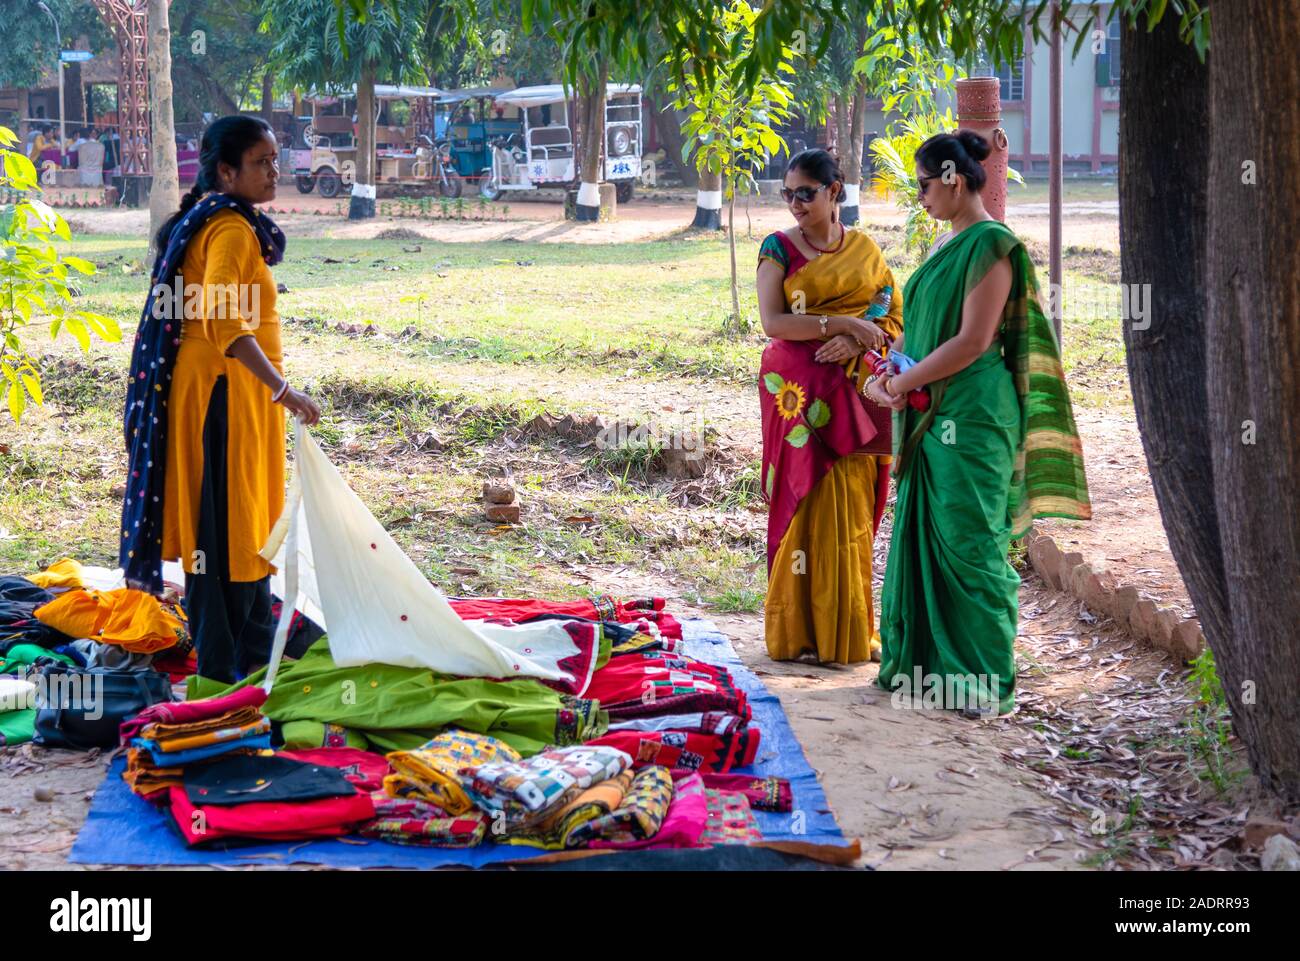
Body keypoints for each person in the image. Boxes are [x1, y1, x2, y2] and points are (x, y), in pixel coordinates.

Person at [866, 131, 1091, 716]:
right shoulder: (947, 244)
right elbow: (924, 337)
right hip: (927, 409)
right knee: (928, 534)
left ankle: (981, 682)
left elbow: (971, 341)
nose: (919, 196)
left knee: (971, 543)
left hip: (973, 414)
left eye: (922, 183)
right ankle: (926, 673)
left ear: (953, 178)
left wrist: (902, 384)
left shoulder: (992, 244)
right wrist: (891, 375)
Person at [121, 115, 321, 685]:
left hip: (232, 394)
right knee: (225, 529)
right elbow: (225, 324)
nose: (274, 172)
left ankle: (251, 646)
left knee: (240, 521)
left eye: (275, 160)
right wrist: (286, 392)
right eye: (261, 163)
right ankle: (223, 665)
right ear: (226, 171)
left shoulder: (221, 220)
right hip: (221, 397)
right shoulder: (230, 228)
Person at [756, 149, 904, 665]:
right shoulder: (778, 249)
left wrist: (862, 344)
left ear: (834, 191)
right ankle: (798, 630)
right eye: (788, 193)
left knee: (852, 507)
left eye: (806, 193)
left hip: (857, 390)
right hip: (799, 398)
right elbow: (774, 323)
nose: (795, 203)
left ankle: (844, 631)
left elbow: (885, 306)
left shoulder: (863, 248)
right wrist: (839, 325)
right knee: (805, 497)